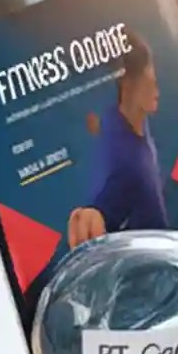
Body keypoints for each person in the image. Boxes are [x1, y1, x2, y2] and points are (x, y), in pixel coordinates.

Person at [68, 33, 168, 248]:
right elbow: (116, 190)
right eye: (152, 82)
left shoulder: (126, 119)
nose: (158, 92)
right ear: (128, 83)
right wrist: (96, 216)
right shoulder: (127, 157)